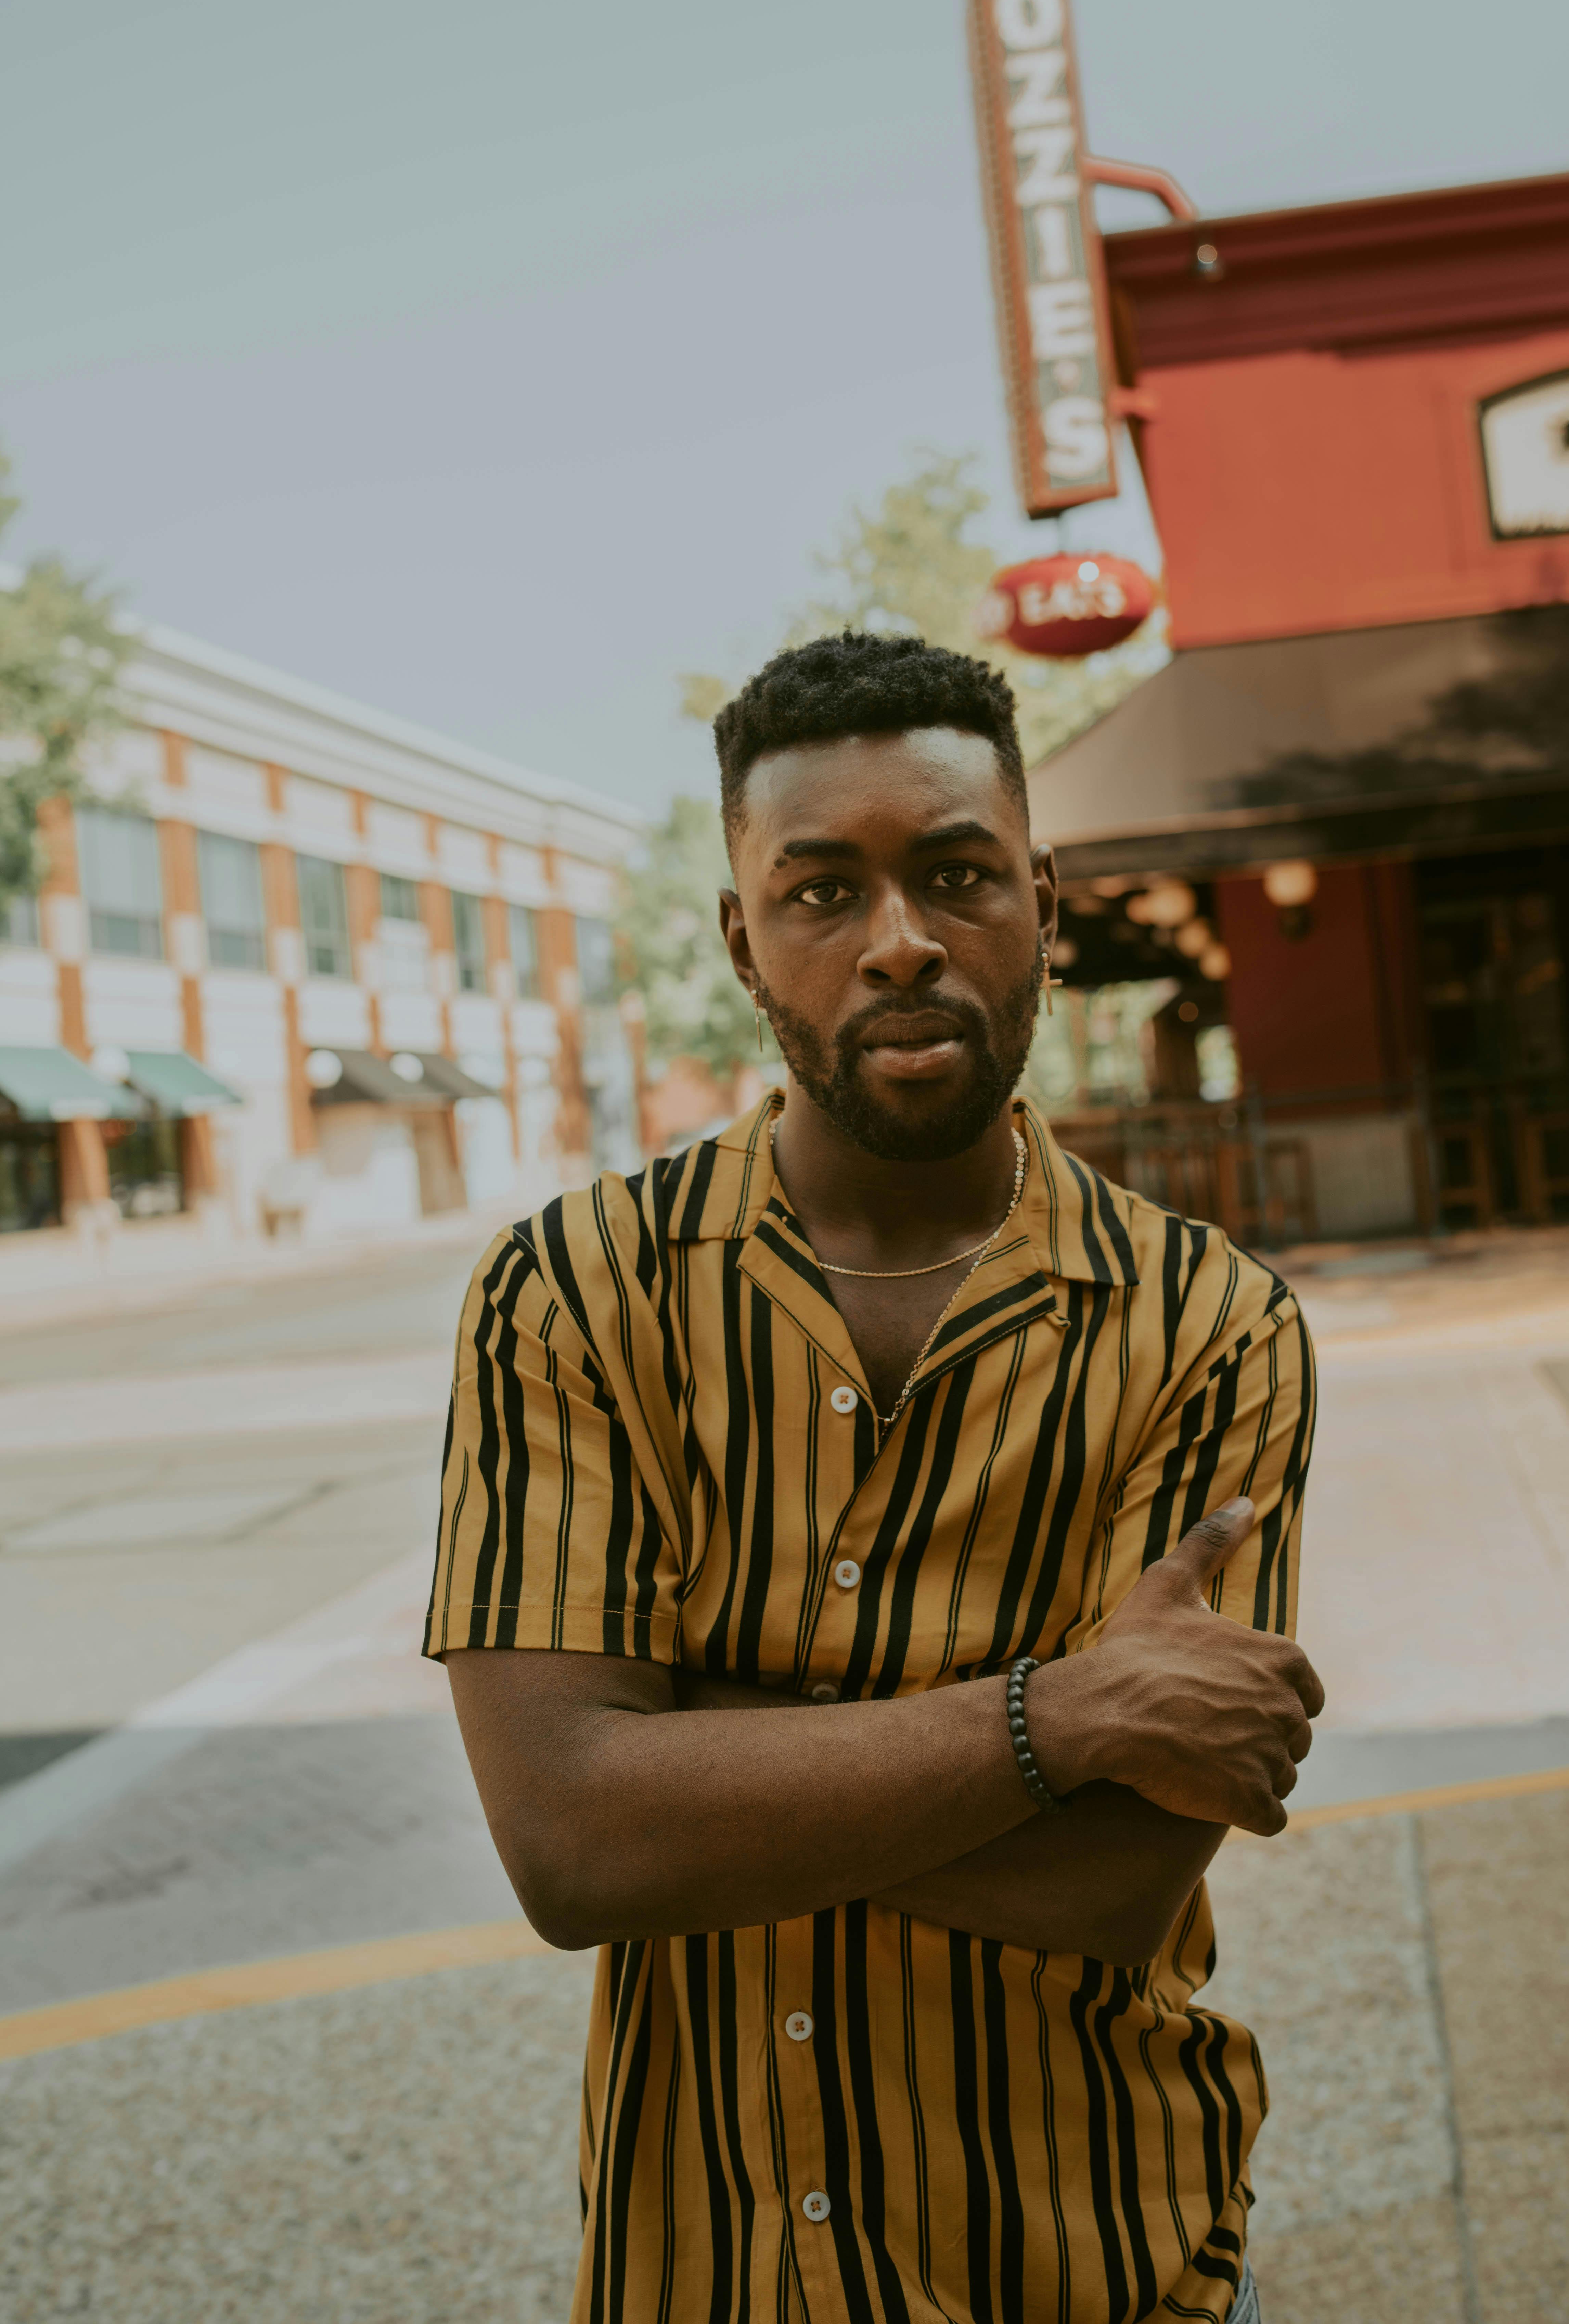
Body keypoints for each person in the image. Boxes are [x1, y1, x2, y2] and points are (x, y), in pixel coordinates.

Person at [428, 631, 1320, 2324]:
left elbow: (1116, 1880)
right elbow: (567, 1847)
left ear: (1041, 901)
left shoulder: (1213, 1324)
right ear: (742, 939)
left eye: (957, 872)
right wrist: (1059, 1721)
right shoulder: (571, 1291)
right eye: (822, 890)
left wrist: (680, 1755)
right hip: (712, 2277)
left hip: (1105, 2274)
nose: (900, 939)